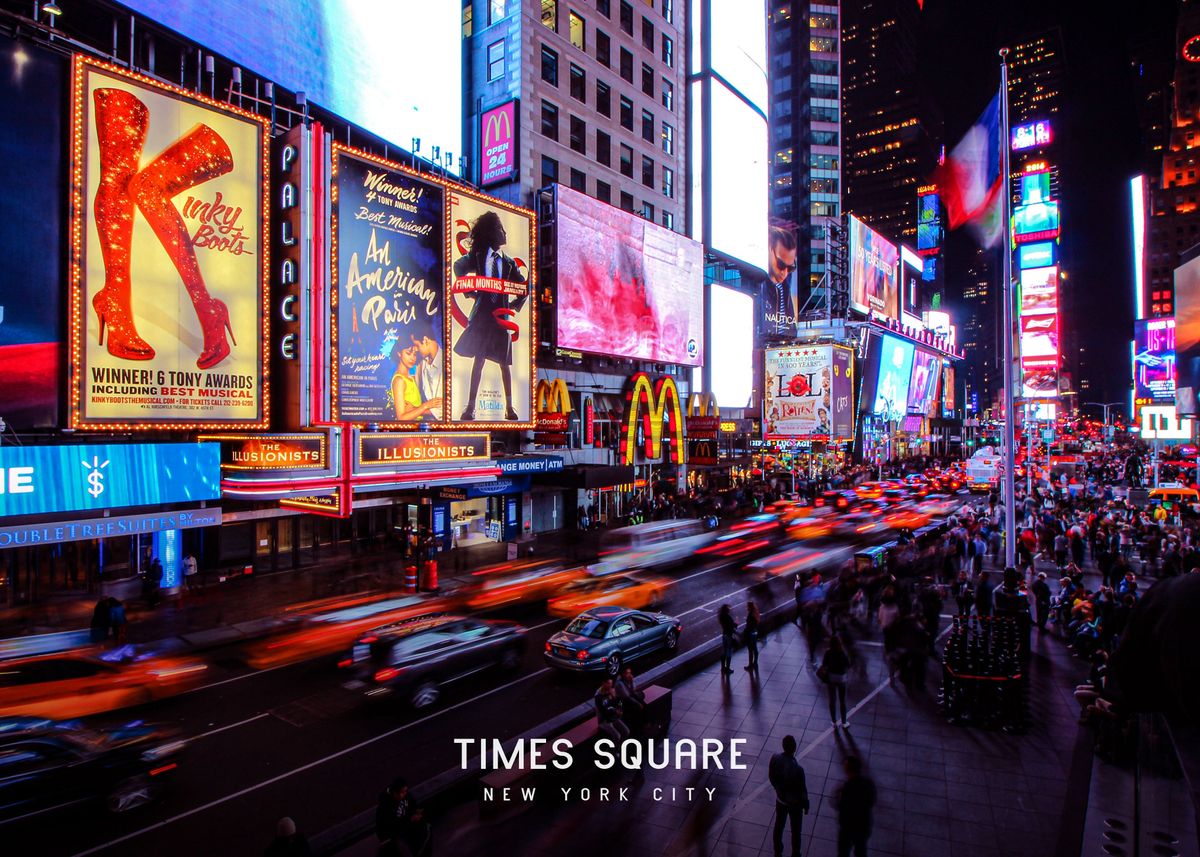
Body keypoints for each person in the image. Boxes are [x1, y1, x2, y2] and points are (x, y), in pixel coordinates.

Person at [452, 210, 527, 421]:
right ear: (491, 232)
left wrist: (515, 304)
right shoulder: (477, 256)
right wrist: (470, 291)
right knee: (479, 359)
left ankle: (510, 408)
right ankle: (471, 408)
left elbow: (524, 285)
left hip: (501, 318)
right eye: (501, 229)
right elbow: (458, 267)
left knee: (504, 363)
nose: (505, 233)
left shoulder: (509, 262)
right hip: (483, 316)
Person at [768, 735, 809, 857]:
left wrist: (777, 789)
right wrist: (805, 805)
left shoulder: (775, 758)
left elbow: (771, 777)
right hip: (794, 804)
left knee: (779, 826)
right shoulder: (798, 769)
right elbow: (802, 790)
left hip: (780, 800)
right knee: (796, 831)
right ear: (794, 748)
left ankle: (777, 850)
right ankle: (796, 853)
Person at [375, 778, 431, 857]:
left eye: (406, 791)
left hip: (406, 827)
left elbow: (412, 803)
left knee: (426, 829)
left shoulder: (405, 795)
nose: (405, 793)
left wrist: (418, 811)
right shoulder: (386, 808)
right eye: (403, 792)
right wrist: (411, 819)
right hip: (393, 836)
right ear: (395, 793)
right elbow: (394, 827)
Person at [389, 341, 442, 421]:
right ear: (399, 353)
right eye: (408, 353)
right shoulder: (399, 380)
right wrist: (425, 406)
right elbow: (401, 417)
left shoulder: (411, 377)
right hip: (408, 429)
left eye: (415, 354)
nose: (412, 358)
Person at [836, 756, 877, 857]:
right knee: (861, 851)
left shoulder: (847, 787)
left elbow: (842, 806)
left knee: (843, 852)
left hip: (848, 827)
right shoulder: (868, 783)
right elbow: (871, 801)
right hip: (863, 825)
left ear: (849, 769)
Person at [410, 325, 443, 410]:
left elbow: (441, 410)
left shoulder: (446, 363)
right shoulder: (421, 364)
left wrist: (413, 410)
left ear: (425, 340)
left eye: (417, 345)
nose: (416, 349)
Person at [822, 634, 851, 728]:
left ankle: (834, 721)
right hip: (841, 678)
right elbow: (848, 664)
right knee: (842, 701)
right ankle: (844, 722)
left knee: (832, 700)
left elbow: (824, 664)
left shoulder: (828, 652)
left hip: (831, 677)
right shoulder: (842, 652)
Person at [615, 666, 646, 733]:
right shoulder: (619, 683)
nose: (629, 675)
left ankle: (645, 722)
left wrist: (631, 682)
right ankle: (639, 726)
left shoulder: (628, 679)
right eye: (627, 673)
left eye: (630, 673)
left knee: (641, 698)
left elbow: (634, 689)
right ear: (623, 674)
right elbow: (627, 696)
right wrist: (638, 703)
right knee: (638, 705)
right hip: (621, 701)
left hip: (629, 697)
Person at [719, 604, 737, 675]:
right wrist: (735, 625)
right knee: (729, 652)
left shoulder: (721, 616)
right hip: (729, 635)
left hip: (724, 635)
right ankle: (727, 668)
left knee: (724, 651)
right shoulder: (728, 617)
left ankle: (723, 667)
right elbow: (732, 628)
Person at [744, 602, 761, 671]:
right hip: (754, 632)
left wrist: (745, 632)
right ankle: (755, 662)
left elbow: (749, 625)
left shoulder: (751, 614)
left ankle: (750, 665)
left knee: (750, 649)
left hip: (750, 633)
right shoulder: (755, 613)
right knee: (754, 647)